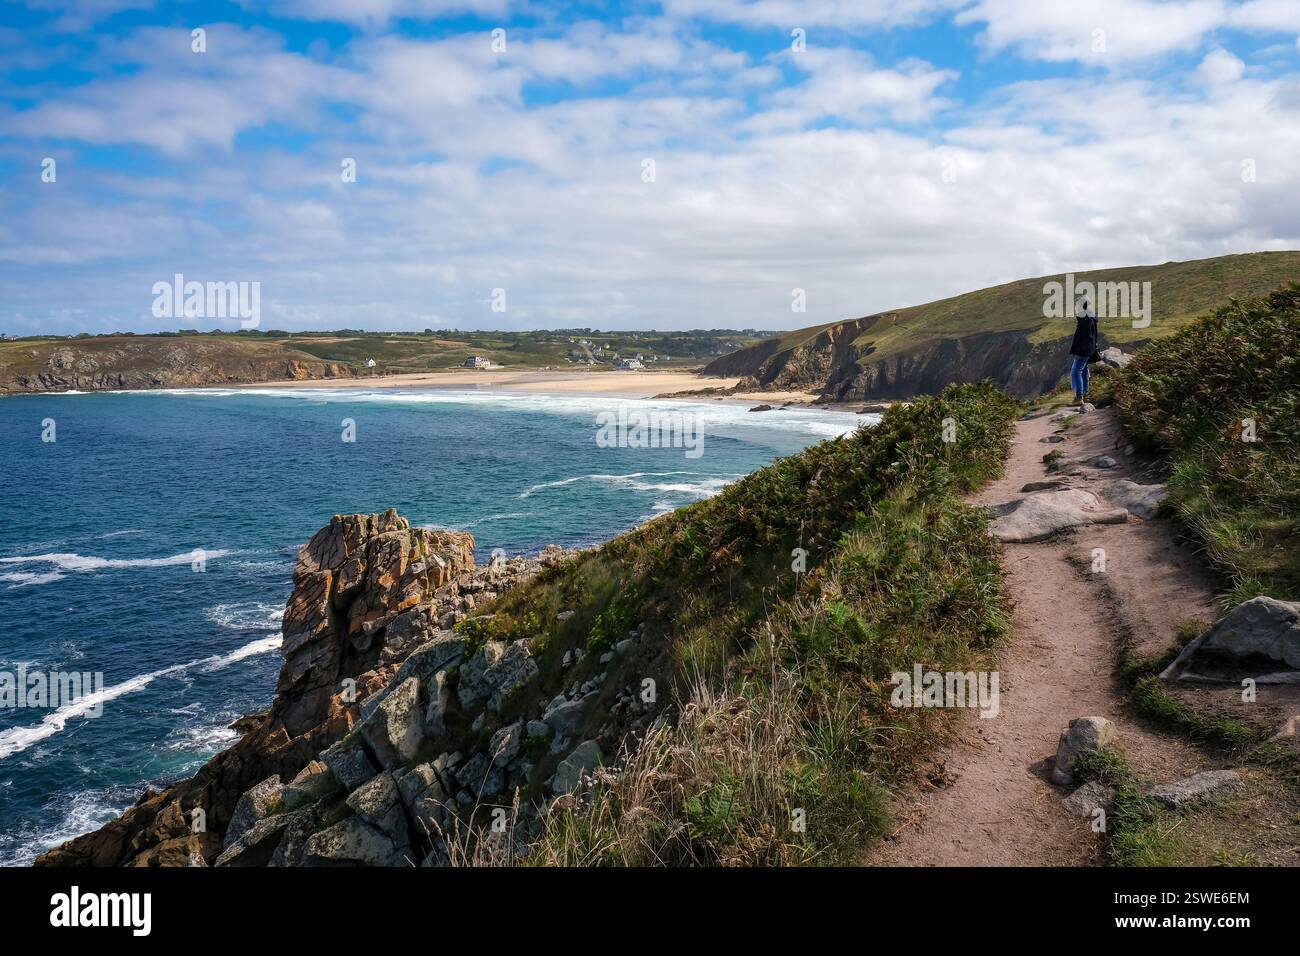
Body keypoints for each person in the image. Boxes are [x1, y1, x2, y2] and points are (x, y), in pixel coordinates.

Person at [1068, 297, 1098, 404]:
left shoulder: (1085, 319)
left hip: (1084, 350)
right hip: (1089, 349)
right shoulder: (1090, 317)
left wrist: (1079, 352)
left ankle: (1079, 397)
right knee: (1084, 370)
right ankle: (1086, 395)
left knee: (1076, 371)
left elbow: (1083, 337)